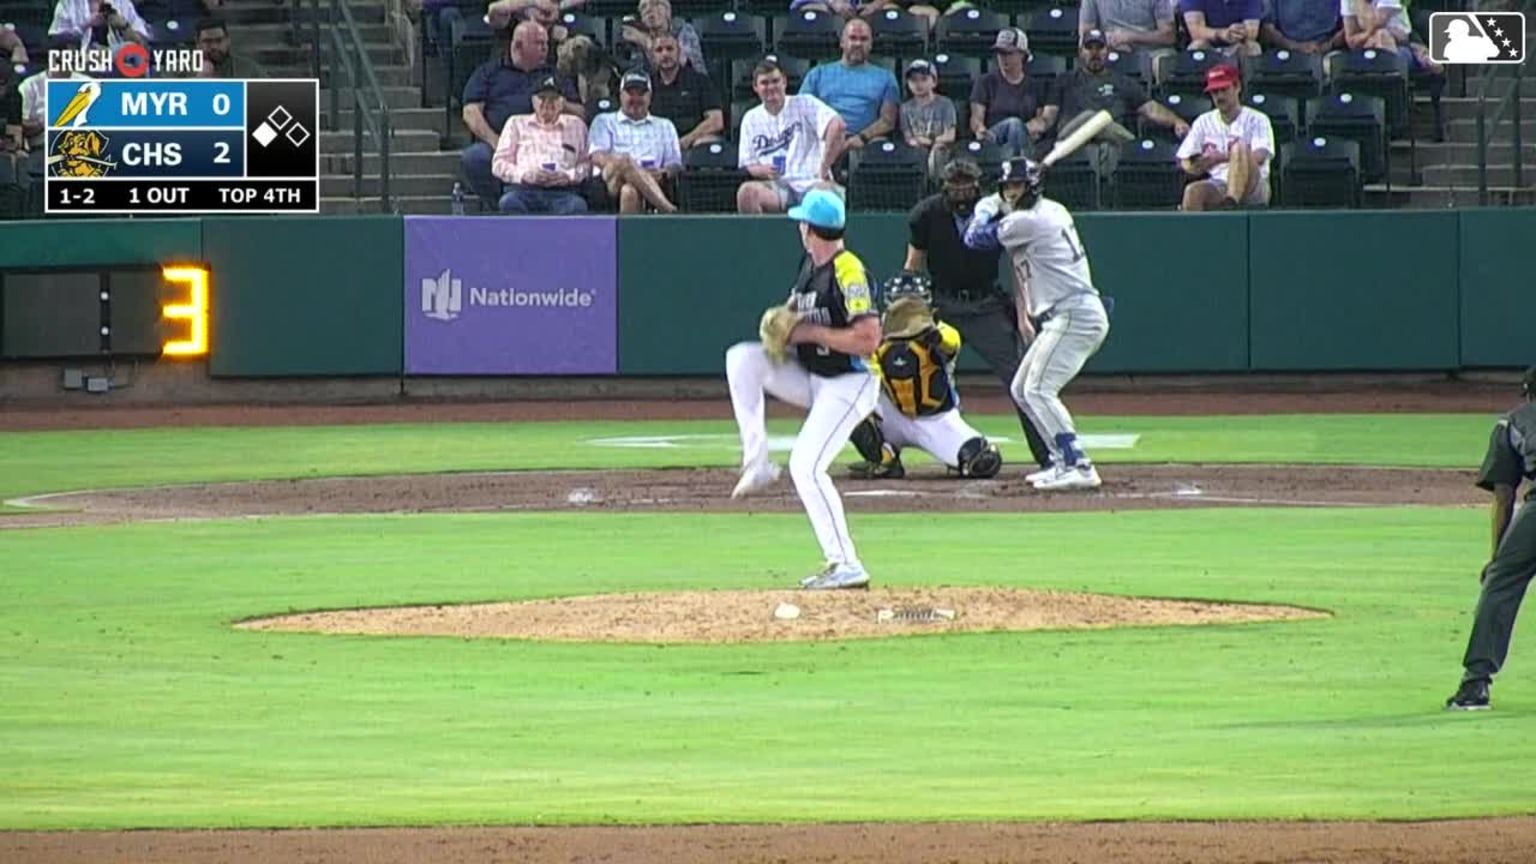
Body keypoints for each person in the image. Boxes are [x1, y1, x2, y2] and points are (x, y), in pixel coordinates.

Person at [725, 188, 883, 591]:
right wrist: (785, 325)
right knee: (743, 359)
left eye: (802, 223)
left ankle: (846, 563)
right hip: (814, 376)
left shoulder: (849, 271)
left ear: (809, 230)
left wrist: (808, 331)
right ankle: (756, 460)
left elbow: (869, 339)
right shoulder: (810, 267)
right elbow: (794, 318)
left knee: (806, 467)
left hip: (850, 384)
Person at [963, 157, 1110, 491]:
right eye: (1006, 187)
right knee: (1021, 389)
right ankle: (1060, 461)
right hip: (1065, 314)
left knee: (1039, 390)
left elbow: (973, 239)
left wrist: (986, 209)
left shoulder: (1028, 221)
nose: (1011, 193)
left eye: (1017, 186)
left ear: (1031, 188)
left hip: (1074, 315)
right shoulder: (1052, 210)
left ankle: (1079, 464)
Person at [902, 157, 1053, 473]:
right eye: (954, 184)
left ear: (977, 185)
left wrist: (1023, 315)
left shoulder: (997, 213)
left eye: (966, 184)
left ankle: (1048, 456)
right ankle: (899, 454)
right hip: (941, 306)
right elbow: (913, 264)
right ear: (943, 185)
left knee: (1020, 379)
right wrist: (909, 311)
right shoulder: (926, 214)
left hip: (985, 305)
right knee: (916, 373)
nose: (960, 191)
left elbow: (1017, 264)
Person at [845, 272, 1003, 480]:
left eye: (912, 301)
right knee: (841, 398)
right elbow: (867, 375)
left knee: (982, 460)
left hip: (935, 420)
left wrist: (933, 336)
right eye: (901, 300)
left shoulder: (937, 331)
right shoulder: (875, 334)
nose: (906, 308)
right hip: (893, 415)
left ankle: (952, 454)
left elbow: (951, 342)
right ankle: (883, 458)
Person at [1445, 367, 1536, 711]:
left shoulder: (1513, 421)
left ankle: (1476, 684)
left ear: (1527, 393)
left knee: (1501, 584)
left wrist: (1497, 556)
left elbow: (1503, 495)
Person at [1175, 64, 1274, 211]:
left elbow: (1260, 155)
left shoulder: (1257, 118)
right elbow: (1184, 159)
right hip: (1220, 183)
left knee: (1239, 147)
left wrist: (1220, 157)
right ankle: (1193, 233)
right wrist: (1198, 165)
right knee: (1192, 192)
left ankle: (1230, 203)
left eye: (1224, 90)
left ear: (1237, 87)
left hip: (1254, 184)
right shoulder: (1204, 121)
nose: (1219, 96)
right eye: (1215, 91)